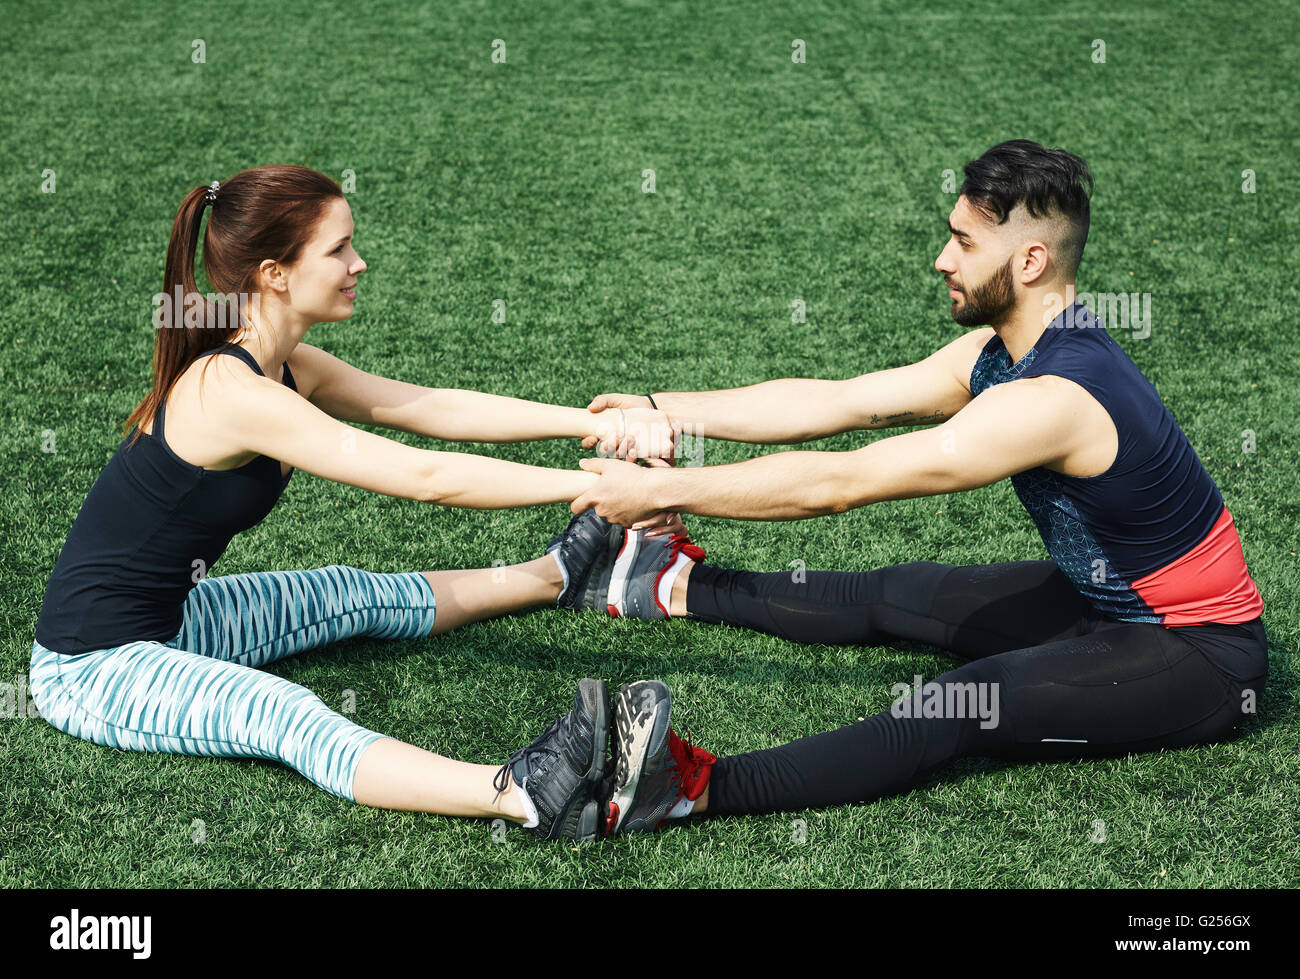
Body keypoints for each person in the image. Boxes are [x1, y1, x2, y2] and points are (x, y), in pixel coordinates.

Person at [557, 139, 1269, 832]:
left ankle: (687, 790)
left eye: (963, 242)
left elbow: (842, 482)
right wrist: (661, 408)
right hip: (1103, 601)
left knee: (954, 705)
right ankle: (667, 583)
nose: (942, 259)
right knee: (899, 592)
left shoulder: (1053, 398)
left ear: (1029, 260)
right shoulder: (1005, 352)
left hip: (1198, 655)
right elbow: (836, 401)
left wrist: (657, 493)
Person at [28, 164, 678, 842]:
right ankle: (526, 792)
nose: (358, 262)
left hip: (174, 617)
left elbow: (432, 410)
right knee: (282, 712)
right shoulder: (231, 392)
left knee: (351, 592)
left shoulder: (287, 365)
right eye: (337, 249)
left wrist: (594, 424)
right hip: (92, 665)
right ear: (277, 272)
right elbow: (427, 475)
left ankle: (562, 573)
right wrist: (596, 488)